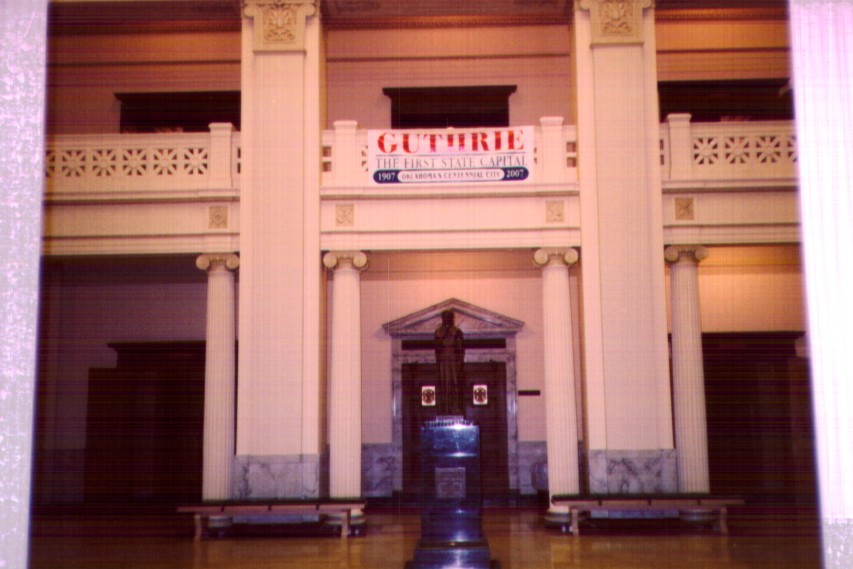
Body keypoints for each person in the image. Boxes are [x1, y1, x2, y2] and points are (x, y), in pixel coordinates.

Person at [434, 309, 465, 416]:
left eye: (449, 317)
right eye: (445, 317)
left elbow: (460, 349)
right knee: (443, 383)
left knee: (455, 383)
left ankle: (455, 408)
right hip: (443, 360)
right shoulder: (438, 332)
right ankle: (444, 409)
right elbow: (437, 349)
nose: (447, 319)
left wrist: (459, 363)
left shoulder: (457, 331)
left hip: (453, 360)